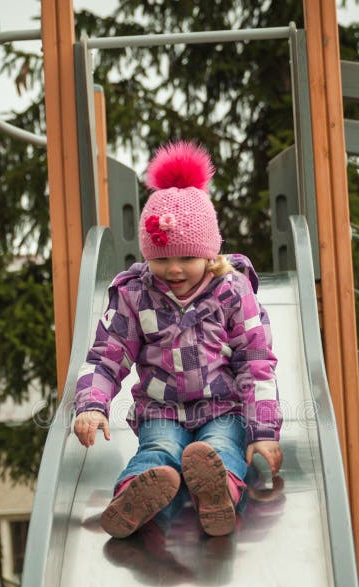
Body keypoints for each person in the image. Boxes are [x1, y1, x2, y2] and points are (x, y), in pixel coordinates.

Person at [73, 141, 282, 538]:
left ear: (210, 254)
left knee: (222, 448)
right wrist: (92, 405)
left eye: (186, 258)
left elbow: (256, 363)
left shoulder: (232, 292)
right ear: (147, 255)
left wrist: (264, 432)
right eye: (161, 259)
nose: (173, 269)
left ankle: (218, 494)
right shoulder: (136, 294)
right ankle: (134, 499)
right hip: (162, 411)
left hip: (223, 409)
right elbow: (106, 357)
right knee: (158, 453)